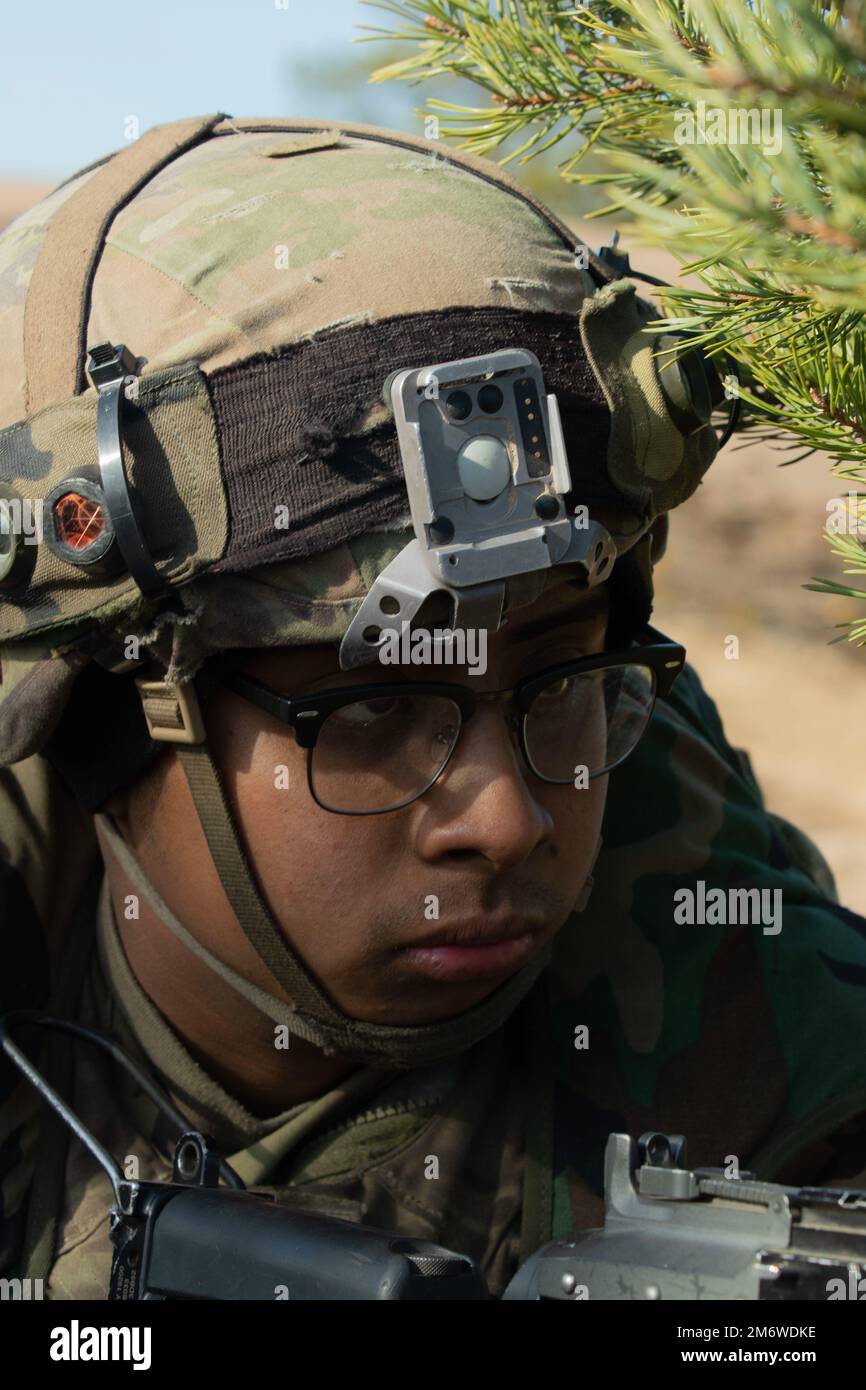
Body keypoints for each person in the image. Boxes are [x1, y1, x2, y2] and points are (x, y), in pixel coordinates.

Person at [1, 114, 865, 1302]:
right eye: (369, 713)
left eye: (564, 681)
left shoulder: (772, 1076)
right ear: (105, 719)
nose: (506, 823)